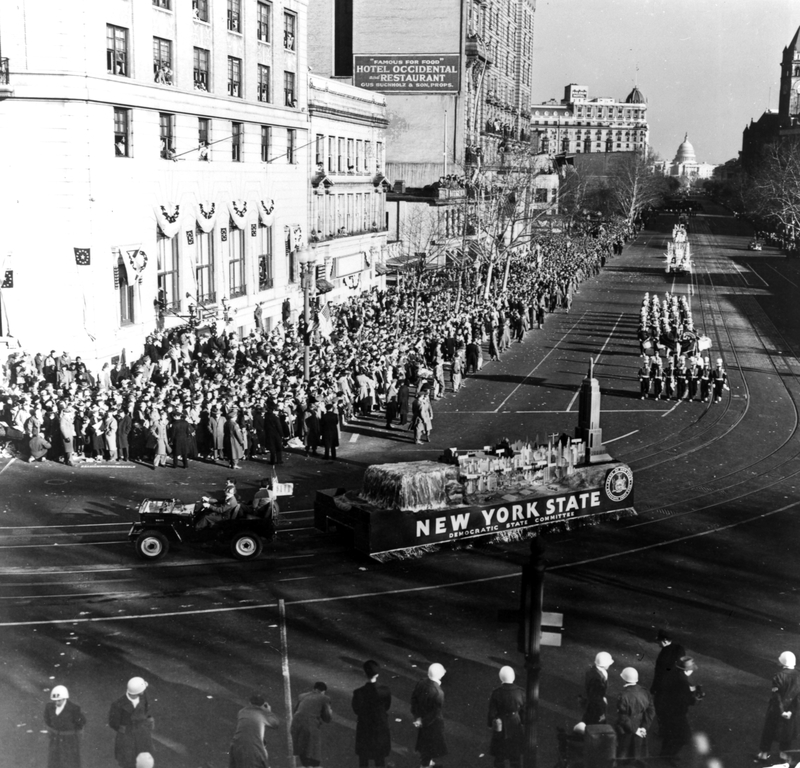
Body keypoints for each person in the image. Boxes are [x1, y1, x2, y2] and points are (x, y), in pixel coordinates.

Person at [757, 651, 800, 762]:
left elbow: (776, 697)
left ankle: (763, 753)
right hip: (791, 711)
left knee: (769, 731)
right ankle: (784, 755)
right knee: (787, 732)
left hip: (775, 710)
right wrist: (790, 711)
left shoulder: (778, 676)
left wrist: (781, 711)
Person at [658, 656, 703, 761]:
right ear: (687, 670)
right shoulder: (684, 683)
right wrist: (697, 696)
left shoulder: (673, 675)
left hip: (665, 709)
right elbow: (689, 700)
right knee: (685, 736)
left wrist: (692, 688)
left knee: (670, 733)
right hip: (677, 713)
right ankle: (668, 756)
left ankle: (664, 753)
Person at [352, 659, 392, 768]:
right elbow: (387, 707)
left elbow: (356, 710)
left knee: (363, 760)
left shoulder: (358, 692)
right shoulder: (385, 690)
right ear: (377, 674)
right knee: (380, 759)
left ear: (365, 673)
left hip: (364, 729)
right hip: (380, 728)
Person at [108, 677, 154, 768]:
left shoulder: (143, 698)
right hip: (127, 738)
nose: (144, 691)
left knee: (144, 762)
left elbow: (147, 710)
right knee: (127, 762)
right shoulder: (118, 704)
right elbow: (113, 722)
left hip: (142, 735)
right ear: (139, 691)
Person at [487, 665, 525, 768]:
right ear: (513, 677)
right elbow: (523, 710)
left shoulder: (496, 693)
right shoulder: (520, 692)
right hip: (515, 722)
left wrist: (491, 723)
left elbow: (491, 712)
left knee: (499, 755)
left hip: (501, 724)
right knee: (515, 754)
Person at [228, 692, 280, 768]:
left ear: (249, 703)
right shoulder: (263, 714)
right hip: (254, 748)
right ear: (263, 704)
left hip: (236, 747)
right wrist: (268, 711)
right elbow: (275, 724)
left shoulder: (242, 712)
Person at [614, 667, 654, 765]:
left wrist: (634, 729)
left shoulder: (623, 696)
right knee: (638, 751)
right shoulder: (644, 691)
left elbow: (623, 718)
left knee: (623, 750)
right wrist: (644, 727)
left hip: (627, 728)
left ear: (624, 679)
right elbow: (651, 710)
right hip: (640, 724)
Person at [411, 663, 447, 768]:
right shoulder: (438, 692)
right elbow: (435, 712)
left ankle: (426, 762)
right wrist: (423, 721)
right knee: (430, 744)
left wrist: (417, 717)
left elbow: (414, 699)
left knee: (424, 743)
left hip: (421, 717)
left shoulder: (421, 683)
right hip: (432, 722)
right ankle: (425, 765)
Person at [291, 682, 332, 767]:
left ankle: (306, 766)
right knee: (313, 751)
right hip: (310, 725)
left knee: (302, 749)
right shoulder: (324, 698)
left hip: (295, 724)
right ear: (323, 691)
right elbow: (327, 718)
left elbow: (295, 711)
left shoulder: (302, 696)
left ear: (314, 689)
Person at [44, 685, 86, 768]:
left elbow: (81, 723)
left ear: (64, 698)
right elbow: (47, 720)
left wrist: (70, 731)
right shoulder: (49, 707)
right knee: (54, 761)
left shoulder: (73, 708)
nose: (57, 702)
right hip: (55, 739)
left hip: (69, 740)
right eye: (55, 700)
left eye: (59, 700)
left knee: (69, 762)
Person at [650, 628, 685, 726]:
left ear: (665, 640)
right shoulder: (680, 648)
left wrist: (653, 688)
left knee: (659, 708)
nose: (658, 643)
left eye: (659, 641)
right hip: (677, 685)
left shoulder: (663, 655)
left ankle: (663, 729)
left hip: (664, 687)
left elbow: (659, 674)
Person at [582, 651, 613, 725]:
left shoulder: (593, 671)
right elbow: (595, 696)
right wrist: (601, 707)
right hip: (596, 704)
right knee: (598, 721)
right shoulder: (597, 679)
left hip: (594, 701)